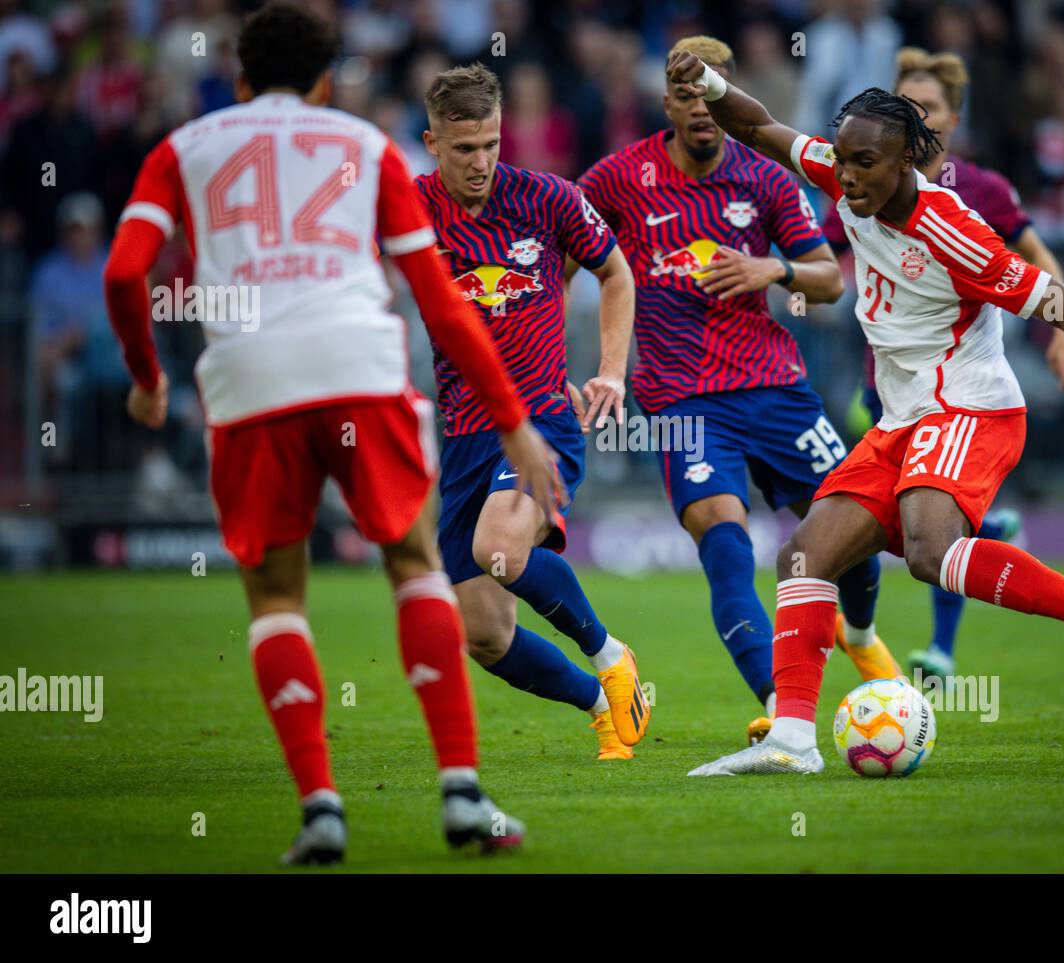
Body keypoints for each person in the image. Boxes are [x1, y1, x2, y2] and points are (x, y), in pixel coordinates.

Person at [102, 3, 561, 860]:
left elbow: (126, 270)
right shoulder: (369, 147)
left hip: (249, 384)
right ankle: (461, 794)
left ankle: (320, 807)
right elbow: (442, 303)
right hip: (357, 368)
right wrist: (515, 422)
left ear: (238, 79)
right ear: (323, 81)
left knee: (277, 599)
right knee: (414, 568)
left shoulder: (183, 147)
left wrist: (147, 380)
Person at [664, 50, 1064, 777]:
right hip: (904, 417)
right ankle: (791, 740)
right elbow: (757, 127)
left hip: (971, 407)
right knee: (803, 556)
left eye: (865, 165)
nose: (846, 177)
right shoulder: (843, 173)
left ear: (907, 161)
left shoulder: (950, 230)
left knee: (929, 551)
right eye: (843, 161)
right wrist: (712, 85)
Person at [578, 36, 902, 746]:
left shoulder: (764, 176)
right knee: (726, 548)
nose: (699, 108)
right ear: (666, 102)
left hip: (776, 390)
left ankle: (861, 630)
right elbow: (564, 238)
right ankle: (782, 708)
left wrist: (771, 271)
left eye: (712, 93)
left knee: (856, 538)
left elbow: (829, 278)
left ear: (729, 97)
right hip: (683, 401)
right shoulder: (618, 179)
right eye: (686, 94)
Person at [413, 63, 649, 762]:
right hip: (461, 435)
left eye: (490, 143)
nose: (481, 161)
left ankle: (610, 651)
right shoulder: (408, 211)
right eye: (463, 149)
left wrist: (610, 371)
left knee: (501, 549)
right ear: (432, 143)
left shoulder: (547, 198)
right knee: (483, 634)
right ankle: (603, 702)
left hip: (541, 420)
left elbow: (615, 271)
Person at [879, 47, 1064, 681]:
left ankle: (939, 646)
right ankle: (992, 526)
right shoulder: (873, 178)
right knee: (897, 516)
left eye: (928, 107)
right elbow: (830, 256)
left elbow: (1040, 257)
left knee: (929, 518)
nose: (915, 115)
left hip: (956, 382)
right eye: (904, 105)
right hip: (884, 383)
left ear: (954, 121)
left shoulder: (985, 191)